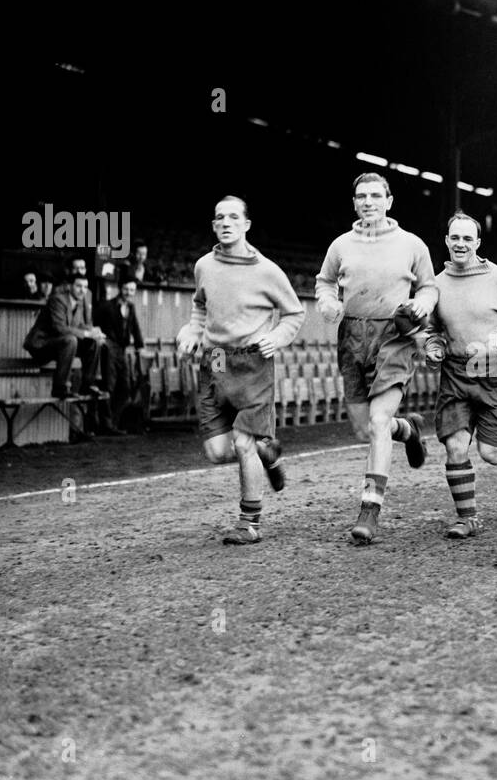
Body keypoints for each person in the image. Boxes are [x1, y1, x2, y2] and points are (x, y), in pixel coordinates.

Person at [315, 172, 437, 545]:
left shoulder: (411, 244)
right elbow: (324, 281)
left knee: (379, 419)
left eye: (375, 196)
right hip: (352, 335)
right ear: (354, 203)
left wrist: (422, 303)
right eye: (361, 197)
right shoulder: (340, 245)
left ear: (389, 200)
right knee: (364, 429)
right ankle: (409, 429)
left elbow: (429, 285)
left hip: (394, 336)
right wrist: (328, 300)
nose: (368, 202)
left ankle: (370, 509)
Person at [176, 195, 306, 545]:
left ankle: (250, 523)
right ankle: (267, 454)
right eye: (220, 217)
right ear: (214, 225)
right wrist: (191, 332)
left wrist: (277, 337)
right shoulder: (203, 265)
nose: (226, 222)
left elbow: (294, 313)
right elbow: (200, 307)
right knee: (218, 452)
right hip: (216, 359)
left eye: (234, 217)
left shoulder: (267, 270)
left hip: (253, 363)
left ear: (246, 224)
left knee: (243, 440)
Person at [423, 211, 497, 539]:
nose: (460, 244)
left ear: (478, 243)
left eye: (467, 238)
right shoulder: (435, 285)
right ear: (446, 241)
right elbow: (431, 329)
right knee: (456, 446)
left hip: (496, 371)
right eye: (455, 238)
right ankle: (466, 517)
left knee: (491, 454)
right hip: (455, 373)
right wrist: (432, 347)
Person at [22, 274, 106, 400]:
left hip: (60, 346)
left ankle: (87, 385)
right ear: (69, 286)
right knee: (70, 340)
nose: (82, 290)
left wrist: (93, 332)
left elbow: (78, 324)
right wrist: (86, 334)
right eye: (78, 286)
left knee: (93, 343)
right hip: (41, 346)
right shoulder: (57, 300)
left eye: (85, 287)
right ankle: (60, 388)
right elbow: (59, 328)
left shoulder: (80, 302)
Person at [98, 276, 146, 433]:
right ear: (120, 288)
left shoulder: (131, 307)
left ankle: (113, 422)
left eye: (132, 290)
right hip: (109, 348)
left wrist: (140, 347)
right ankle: (106, 425)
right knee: (109, 385)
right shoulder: (108, 306)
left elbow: (135, 327)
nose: (128, 293)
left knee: (125, 387)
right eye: (126, 289)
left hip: (122, 350)